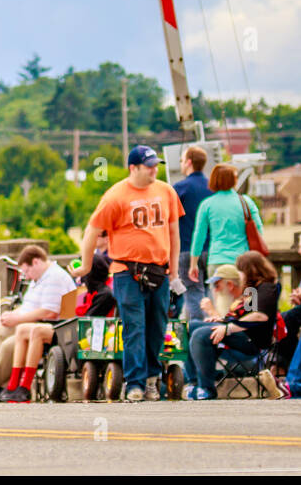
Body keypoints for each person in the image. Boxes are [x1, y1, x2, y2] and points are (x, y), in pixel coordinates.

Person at [81, 145, 182, 402]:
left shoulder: (166, 191)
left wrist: (174, 270)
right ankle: (135, 382)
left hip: (159, 269)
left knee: (158, 325)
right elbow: (92, 231)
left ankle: (151, 378)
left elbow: (173, 232)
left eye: (155, 165)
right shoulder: (116, 196)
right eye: (148, 166)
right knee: (134, 326)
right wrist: (85, 265)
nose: (154, 170)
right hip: (127, 270)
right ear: (133, 168)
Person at [0, 245, 78, 402]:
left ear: (36, 262)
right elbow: (29, 305)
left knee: (8, 345)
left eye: (27, 271)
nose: (27, 276)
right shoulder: (39, 278)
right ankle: (5, 384)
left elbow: (49, 312)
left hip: (54, 326)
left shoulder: (55, 277)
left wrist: (17, 319)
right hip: (35, 323)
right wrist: (12, 315)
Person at [184, 255, 280, 399]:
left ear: (249, 270)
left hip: (252, 341)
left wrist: (227, 328)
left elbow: (260, 316)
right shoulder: (251, 290)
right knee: (187, 327)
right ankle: (193, 382)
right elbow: (243, 316)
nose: (239, 275)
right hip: (240, 335)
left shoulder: (267, 288)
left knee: (201, 334)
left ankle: (206, 388)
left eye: (240, 270)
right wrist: (222, 320)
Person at [189, 163, 264, 289]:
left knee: (221, 305)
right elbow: (259, 230)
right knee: (247, 304)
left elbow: (199, 236)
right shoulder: (245, 201)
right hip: (242, 262)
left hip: (217, 261)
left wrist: (193, 264)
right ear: (234, 180)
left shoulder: (206, 204)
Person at [173, 146, 211, 323]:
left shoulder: (180, 188)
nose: (181, 164)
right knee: (211, 293)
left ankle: (196, 333)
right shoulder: (214, 187)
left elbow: (168, 218)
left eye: (181, 160)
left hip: (187, 248)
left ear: (188, 162)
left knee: (193, 295)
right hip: (211, 249)